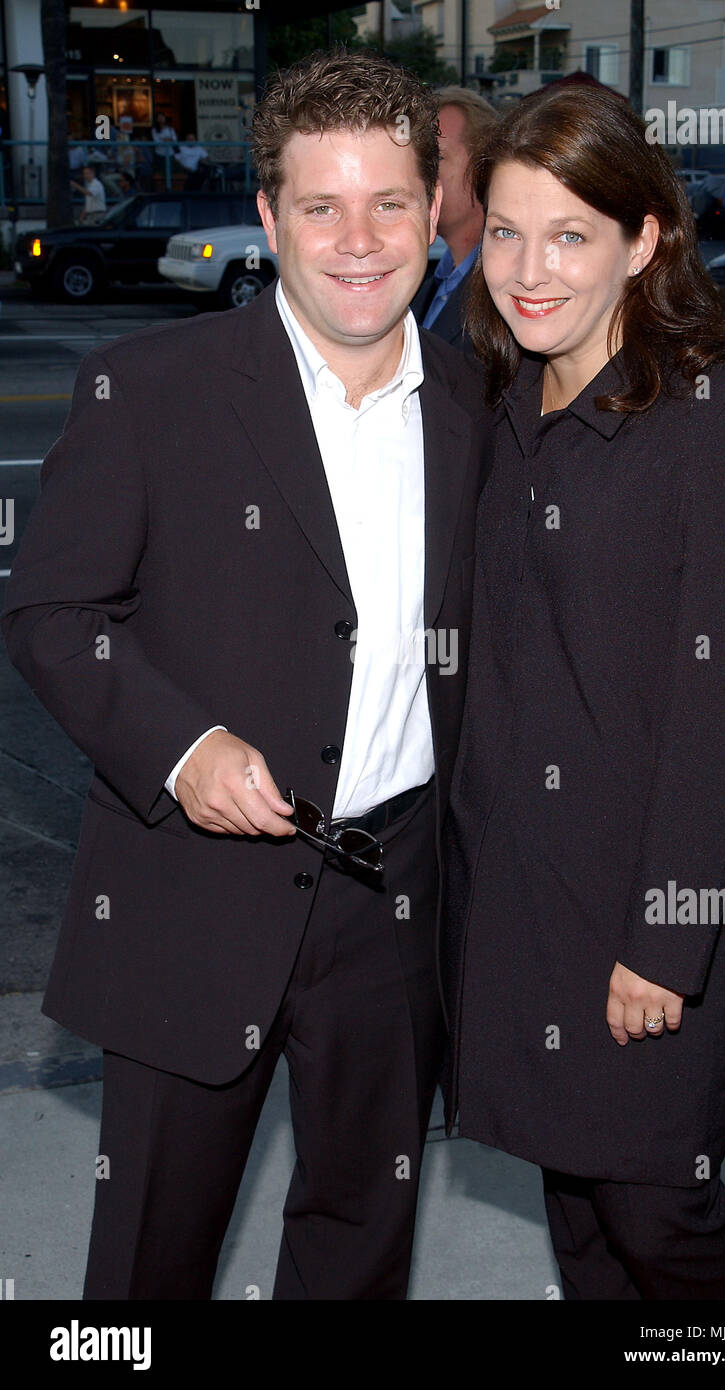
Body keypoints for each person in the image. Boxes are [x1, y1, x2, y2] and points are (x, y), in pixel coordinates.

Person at [1, 50, 489, 1301]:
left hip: (396, 899)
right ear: (268, 219)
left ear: (435, 211)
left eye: (388, 202)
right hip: (189, 898)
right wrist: (179, 744)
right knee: (149, 1258)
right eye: (319, 207)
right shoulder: (155, 392)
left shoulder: (483, 409)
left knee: (355, 1239)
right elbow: (53, 609)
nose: (358, 240)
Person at [441, 81, 725, 1300]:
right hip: (515, 894)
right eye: (504, 230)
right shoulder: (502, 401)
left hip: (644, 901)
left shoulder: (724, 421)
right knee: (580, 1208)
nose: (528, 269)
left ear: (644, 238)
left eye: (569, 235)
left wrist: (666, 936)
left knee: (657, 1215)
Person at [411, 88, 497, 355]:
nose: (418, 176)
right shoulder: (423, 285)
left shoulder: (506, 295)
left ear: (483, 167)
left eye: (436, 158)